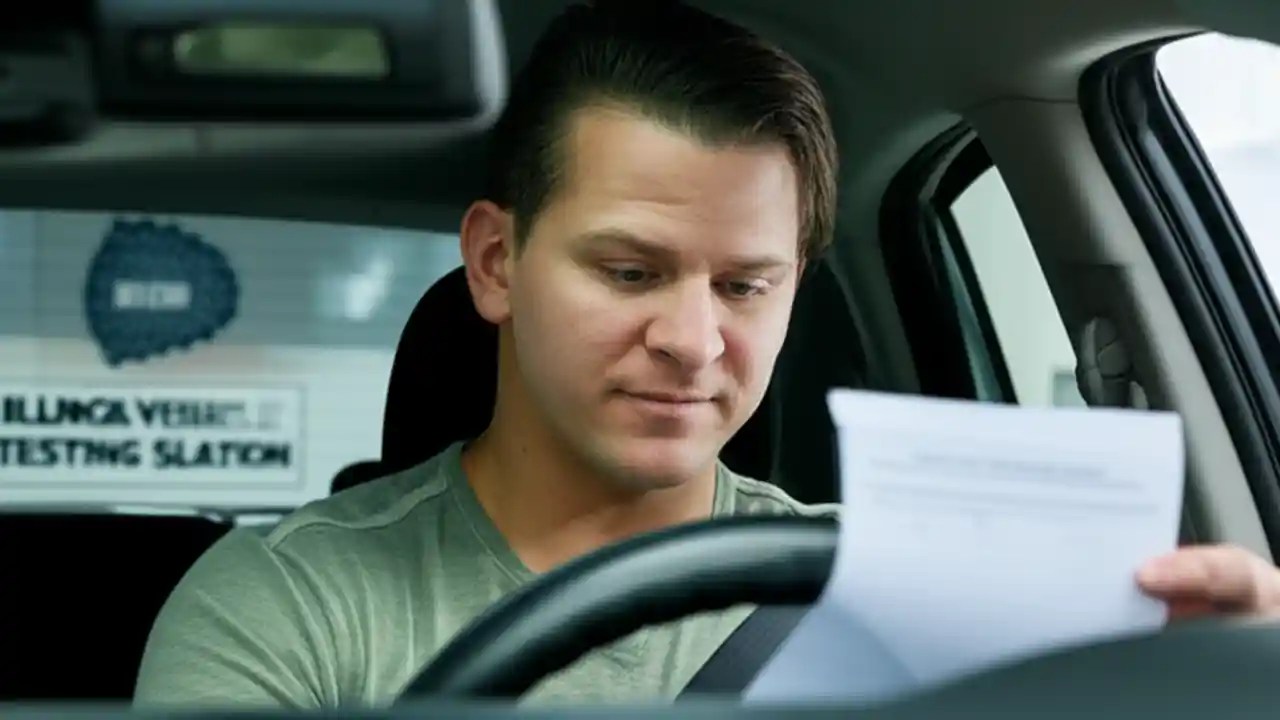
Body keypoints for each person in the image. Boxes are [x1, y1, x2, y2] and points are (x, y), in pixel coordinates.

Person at [133, 0, 1280, 710]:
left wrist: (1212, 676)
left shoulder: (914, 589)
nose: (692, 342)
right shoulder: (286, 606)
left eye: (744, 285)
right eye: (629, 272)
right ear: (494, 264)